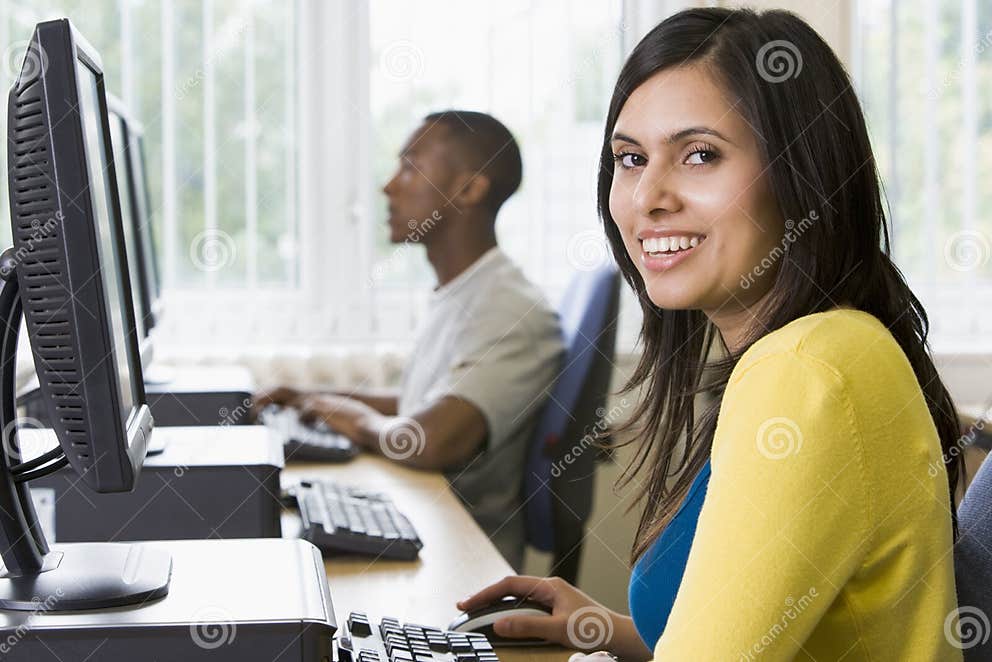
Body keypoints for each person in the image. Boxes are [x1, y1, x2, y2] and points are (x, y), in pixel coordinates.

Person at [459, 8, 963, 660]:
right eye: (630, 159)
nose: (647, 197)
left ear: (800, 174)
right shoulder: (829, 346)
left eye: (700, 155)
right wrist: (612, 629)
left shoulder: (805, 372)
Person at [255, 111, 564, 570]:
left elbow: (429, 438)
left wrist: (355, 420)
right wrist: (309, 397)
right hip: (427, 528)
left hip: (463, 561)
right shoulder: (464, 291)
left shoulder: (509, 310)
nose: (388, 187)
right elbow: (422, 402)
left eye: (410, 167)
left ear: (469, 189)